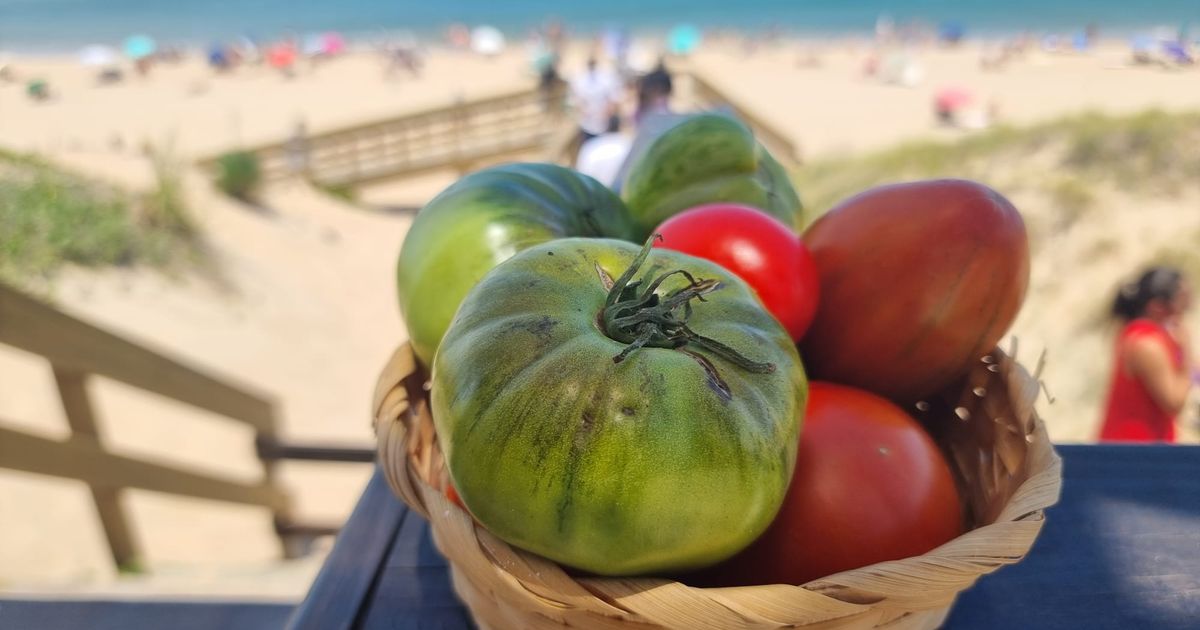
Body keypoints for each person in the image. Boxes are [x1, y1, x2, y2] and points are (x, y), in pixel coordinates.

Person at [1099, 267, 1195, 443]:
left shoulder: (1139, 336)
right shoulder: (1146, 344)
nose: (1183, 313)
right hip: (1134, 451)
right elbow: (1173, 401)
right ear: (1157, 307)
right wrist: (1187, 353)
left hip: (1142, 448)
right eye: (1180, 304)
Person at [568, 57, 620, 157]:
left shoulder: (605, 78)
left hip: (603, 123)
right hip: (587, 123)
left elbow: (612, 101)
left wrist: (605, 113)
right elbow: (577, 101)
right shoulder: (581, 80)